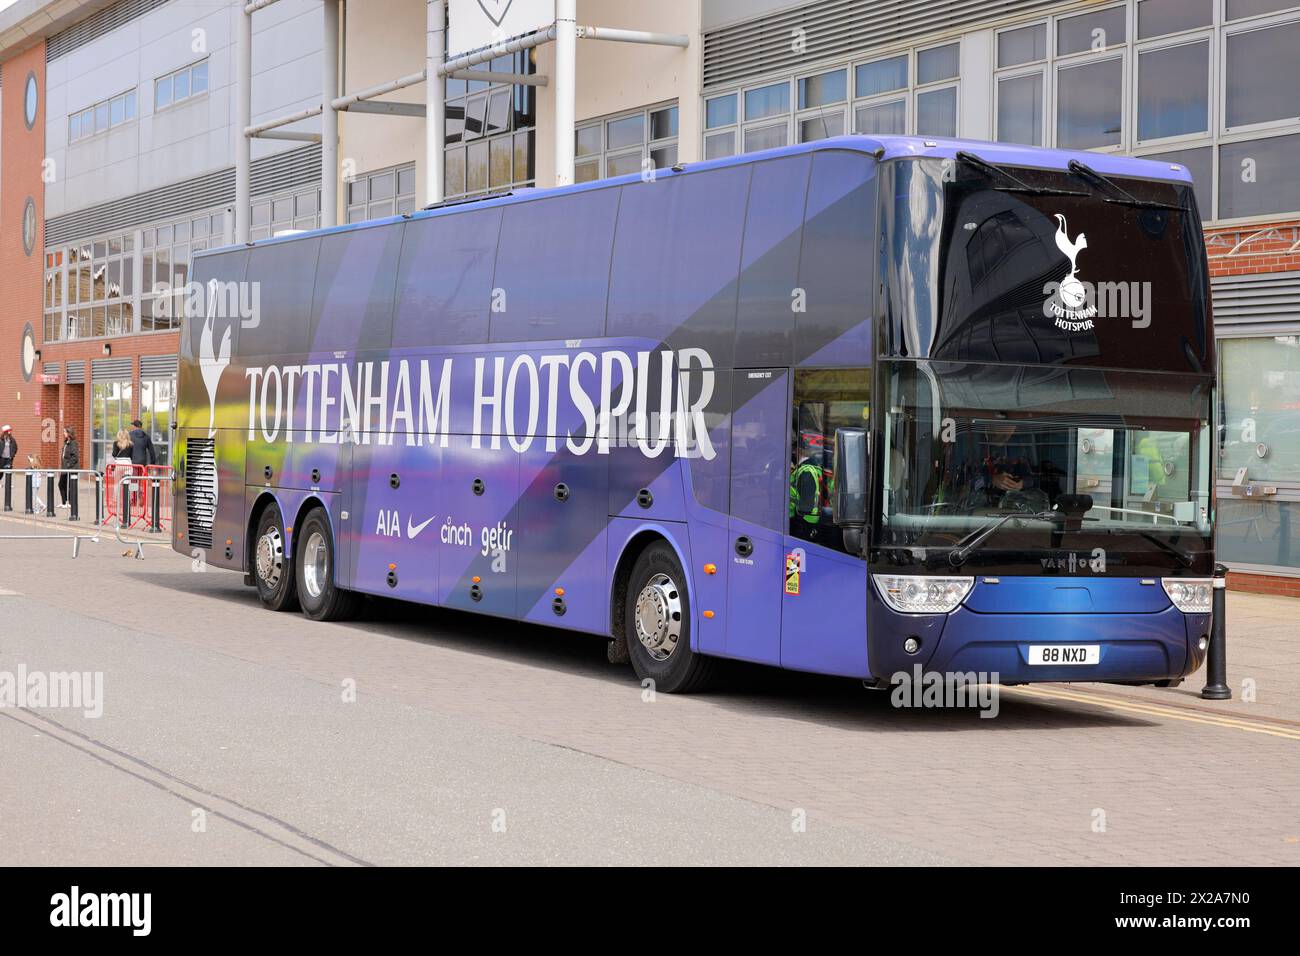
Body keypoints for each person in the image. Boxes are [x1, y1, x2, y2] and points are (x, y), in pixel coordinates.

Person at [58, 426, 79, 509]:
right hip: (65, 468)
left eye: (65, 432)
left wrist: (68, 465)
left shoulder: (73, 443)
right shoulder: (66, 442)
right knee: (61, 485)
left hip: (71, 468)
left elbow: (75, 457)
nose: (64, 434)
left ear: (69, 433)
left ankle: (70, 503)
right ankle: (64, 502)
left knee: (70, 486)